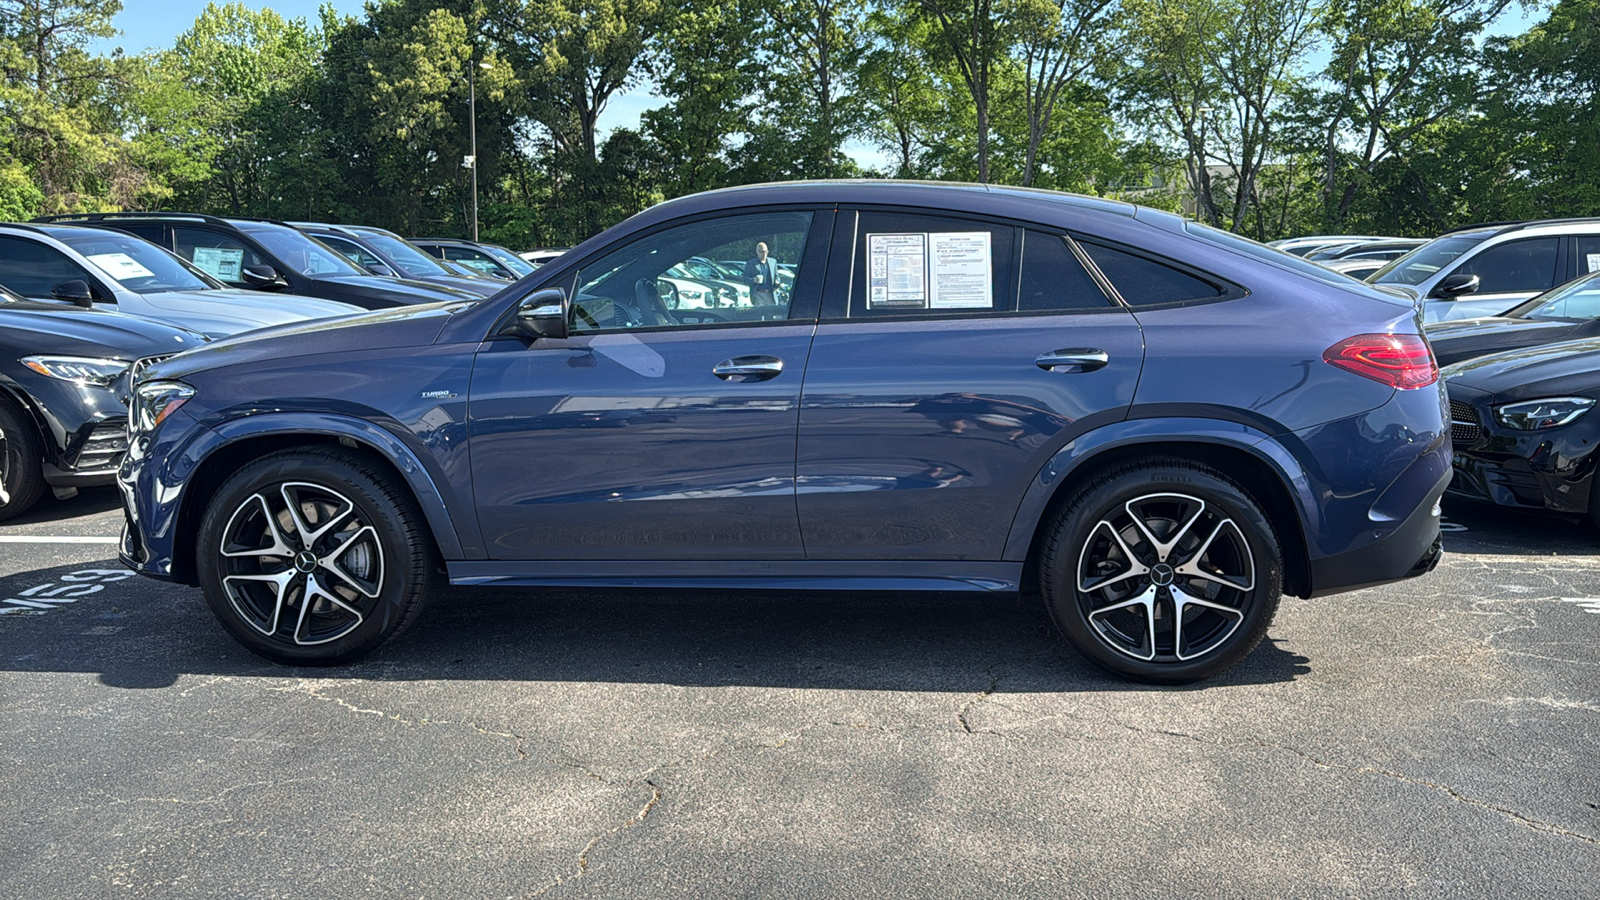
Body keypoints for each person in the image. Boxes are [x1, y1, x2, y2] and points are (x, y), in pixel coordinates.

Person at [743, 242, 781, 306]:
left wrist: (777, 281)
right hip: (758, 294)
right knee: (760, 313)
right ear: (757, 251)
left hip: (771, 294)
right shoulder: (751, 263)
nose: (763, 254)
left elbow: (777, 276)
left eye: (765, 252)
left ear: (768, 251)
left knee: (771, 314)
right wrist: (753, 280)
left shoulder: (773, 262)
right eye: (761, 252)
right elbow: (745, 279)